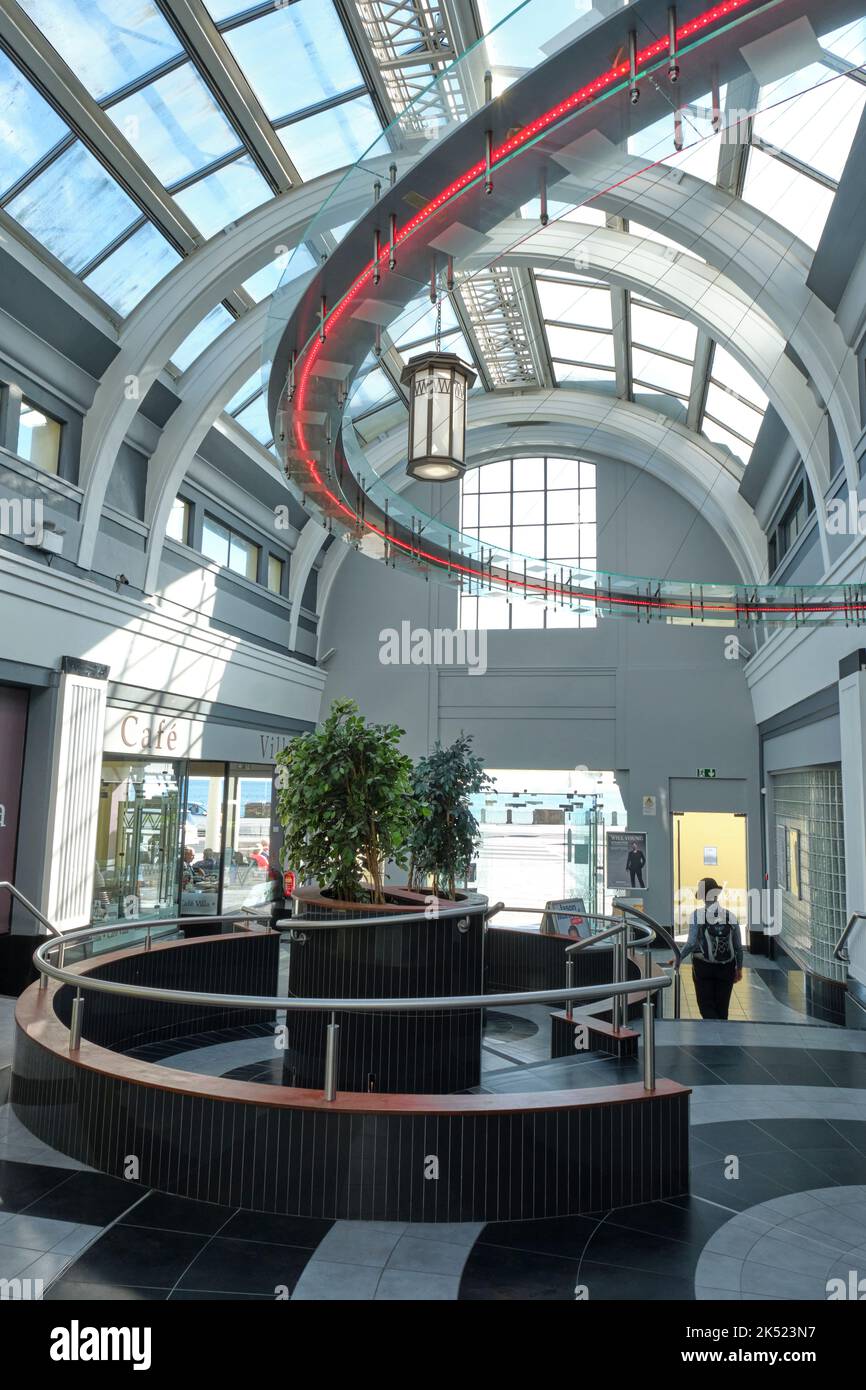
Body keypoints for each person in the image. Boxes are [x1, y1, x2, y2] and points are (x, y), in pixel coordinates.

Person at [674, 877, 744, 1020]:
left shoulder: (697, 915)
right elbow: (738, 947)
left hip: (703, 967)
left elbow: (691, 943)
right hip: (727, 967)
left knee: (706, 1006)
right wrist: (739, 968)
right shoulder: (730, 916)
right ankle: (723, 1038)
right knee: (722, 1008)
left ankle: (712, 1036)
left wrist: (678, 958)